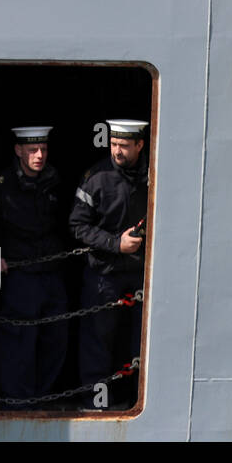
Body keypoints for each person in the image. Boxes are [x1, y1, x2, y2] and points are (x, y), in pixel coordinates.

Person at [0, 127, 69, 402]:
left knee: (55, 338)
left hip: (51, 273)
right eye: (32, 151)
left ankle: (43, 397)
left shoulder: (55, 180)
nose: (40, 156)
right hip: (19, 273)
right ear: (18, 151)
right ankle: (19, 401)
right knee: (19, 341)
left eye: (44, 150)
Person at [71, 119, 149, 408]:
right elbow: (78, 226)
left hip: (141, 276)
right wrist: (116, 244)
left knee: (135, 344)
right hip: (104, 276)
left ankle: (134, 400)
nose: (117, 151)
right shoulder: (96, 178)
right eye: (114, 144)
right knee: (98, 344)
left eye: (124, 146)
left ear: (140, 145)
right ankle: (96, 404)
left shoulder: (153, 176)